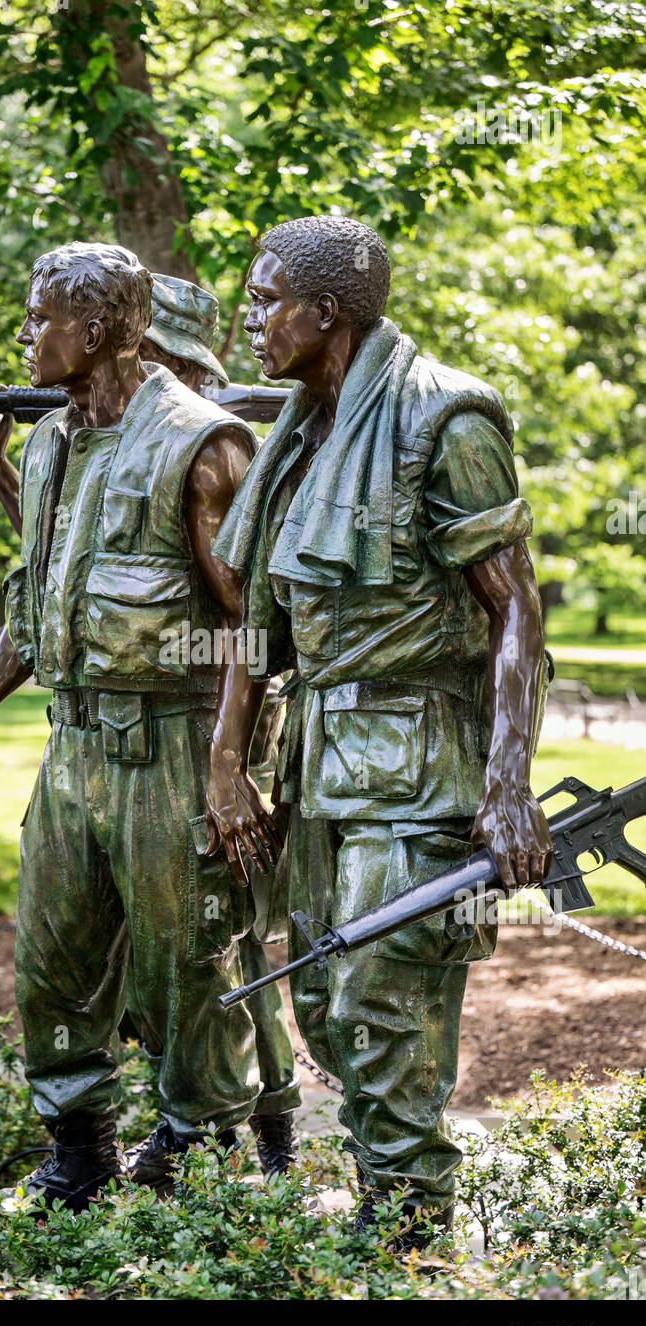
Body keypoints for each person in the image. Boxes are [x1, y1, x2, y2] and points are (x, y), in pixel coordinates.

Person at [205, 215, 552, 1246]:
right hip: (317, 762)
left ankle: (405, 1233)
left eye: (266, 301)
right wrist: (226, 761)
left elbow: (514, 612)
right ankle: (382, 1209)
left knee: (381, 998)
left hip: (414, 759)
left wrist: (506, 782)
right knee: (318, 992)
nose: (249, 320)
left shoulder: (439, 420)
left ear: (327, 311)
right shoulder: (295, 436)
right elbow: (257, 623)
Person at [0, 242, 277, 1208]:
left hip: (172, 745)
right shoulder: (49, 445)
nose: (25, 335)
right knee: (51, 965)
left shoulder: (204, 443)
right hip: (72, 747)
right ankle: (78, 1157)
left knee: (186, 971)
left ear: (103, 328)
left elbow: (253, 624)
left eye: (40, 318)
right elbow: (47, 594)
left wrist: (229, 764)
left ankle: (198, 1157)